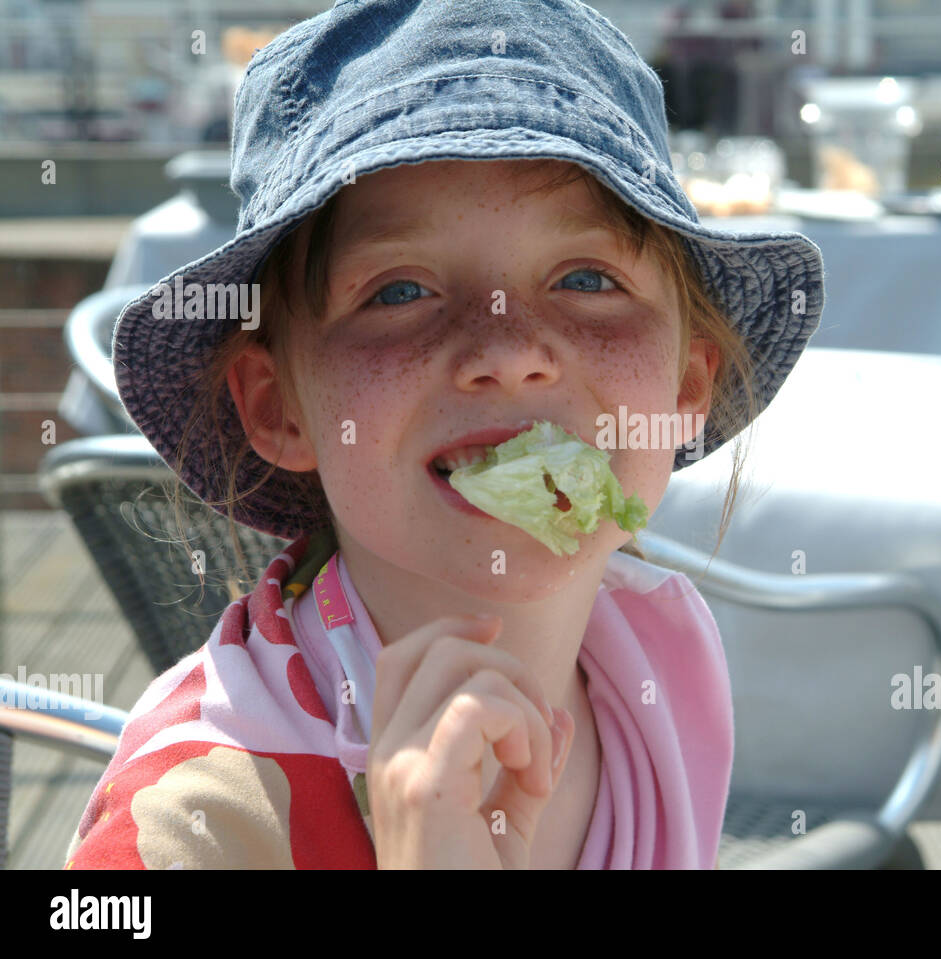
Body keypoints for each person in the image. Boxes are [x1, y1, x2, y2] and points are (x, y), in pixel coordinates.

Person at [65, 0, 823, 870]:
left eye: (586, 277)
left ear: (688, 382)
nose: (508, 353)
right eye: (398, 291)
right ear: (279, 407)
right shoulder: (189, 825)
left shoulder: (657, 655)